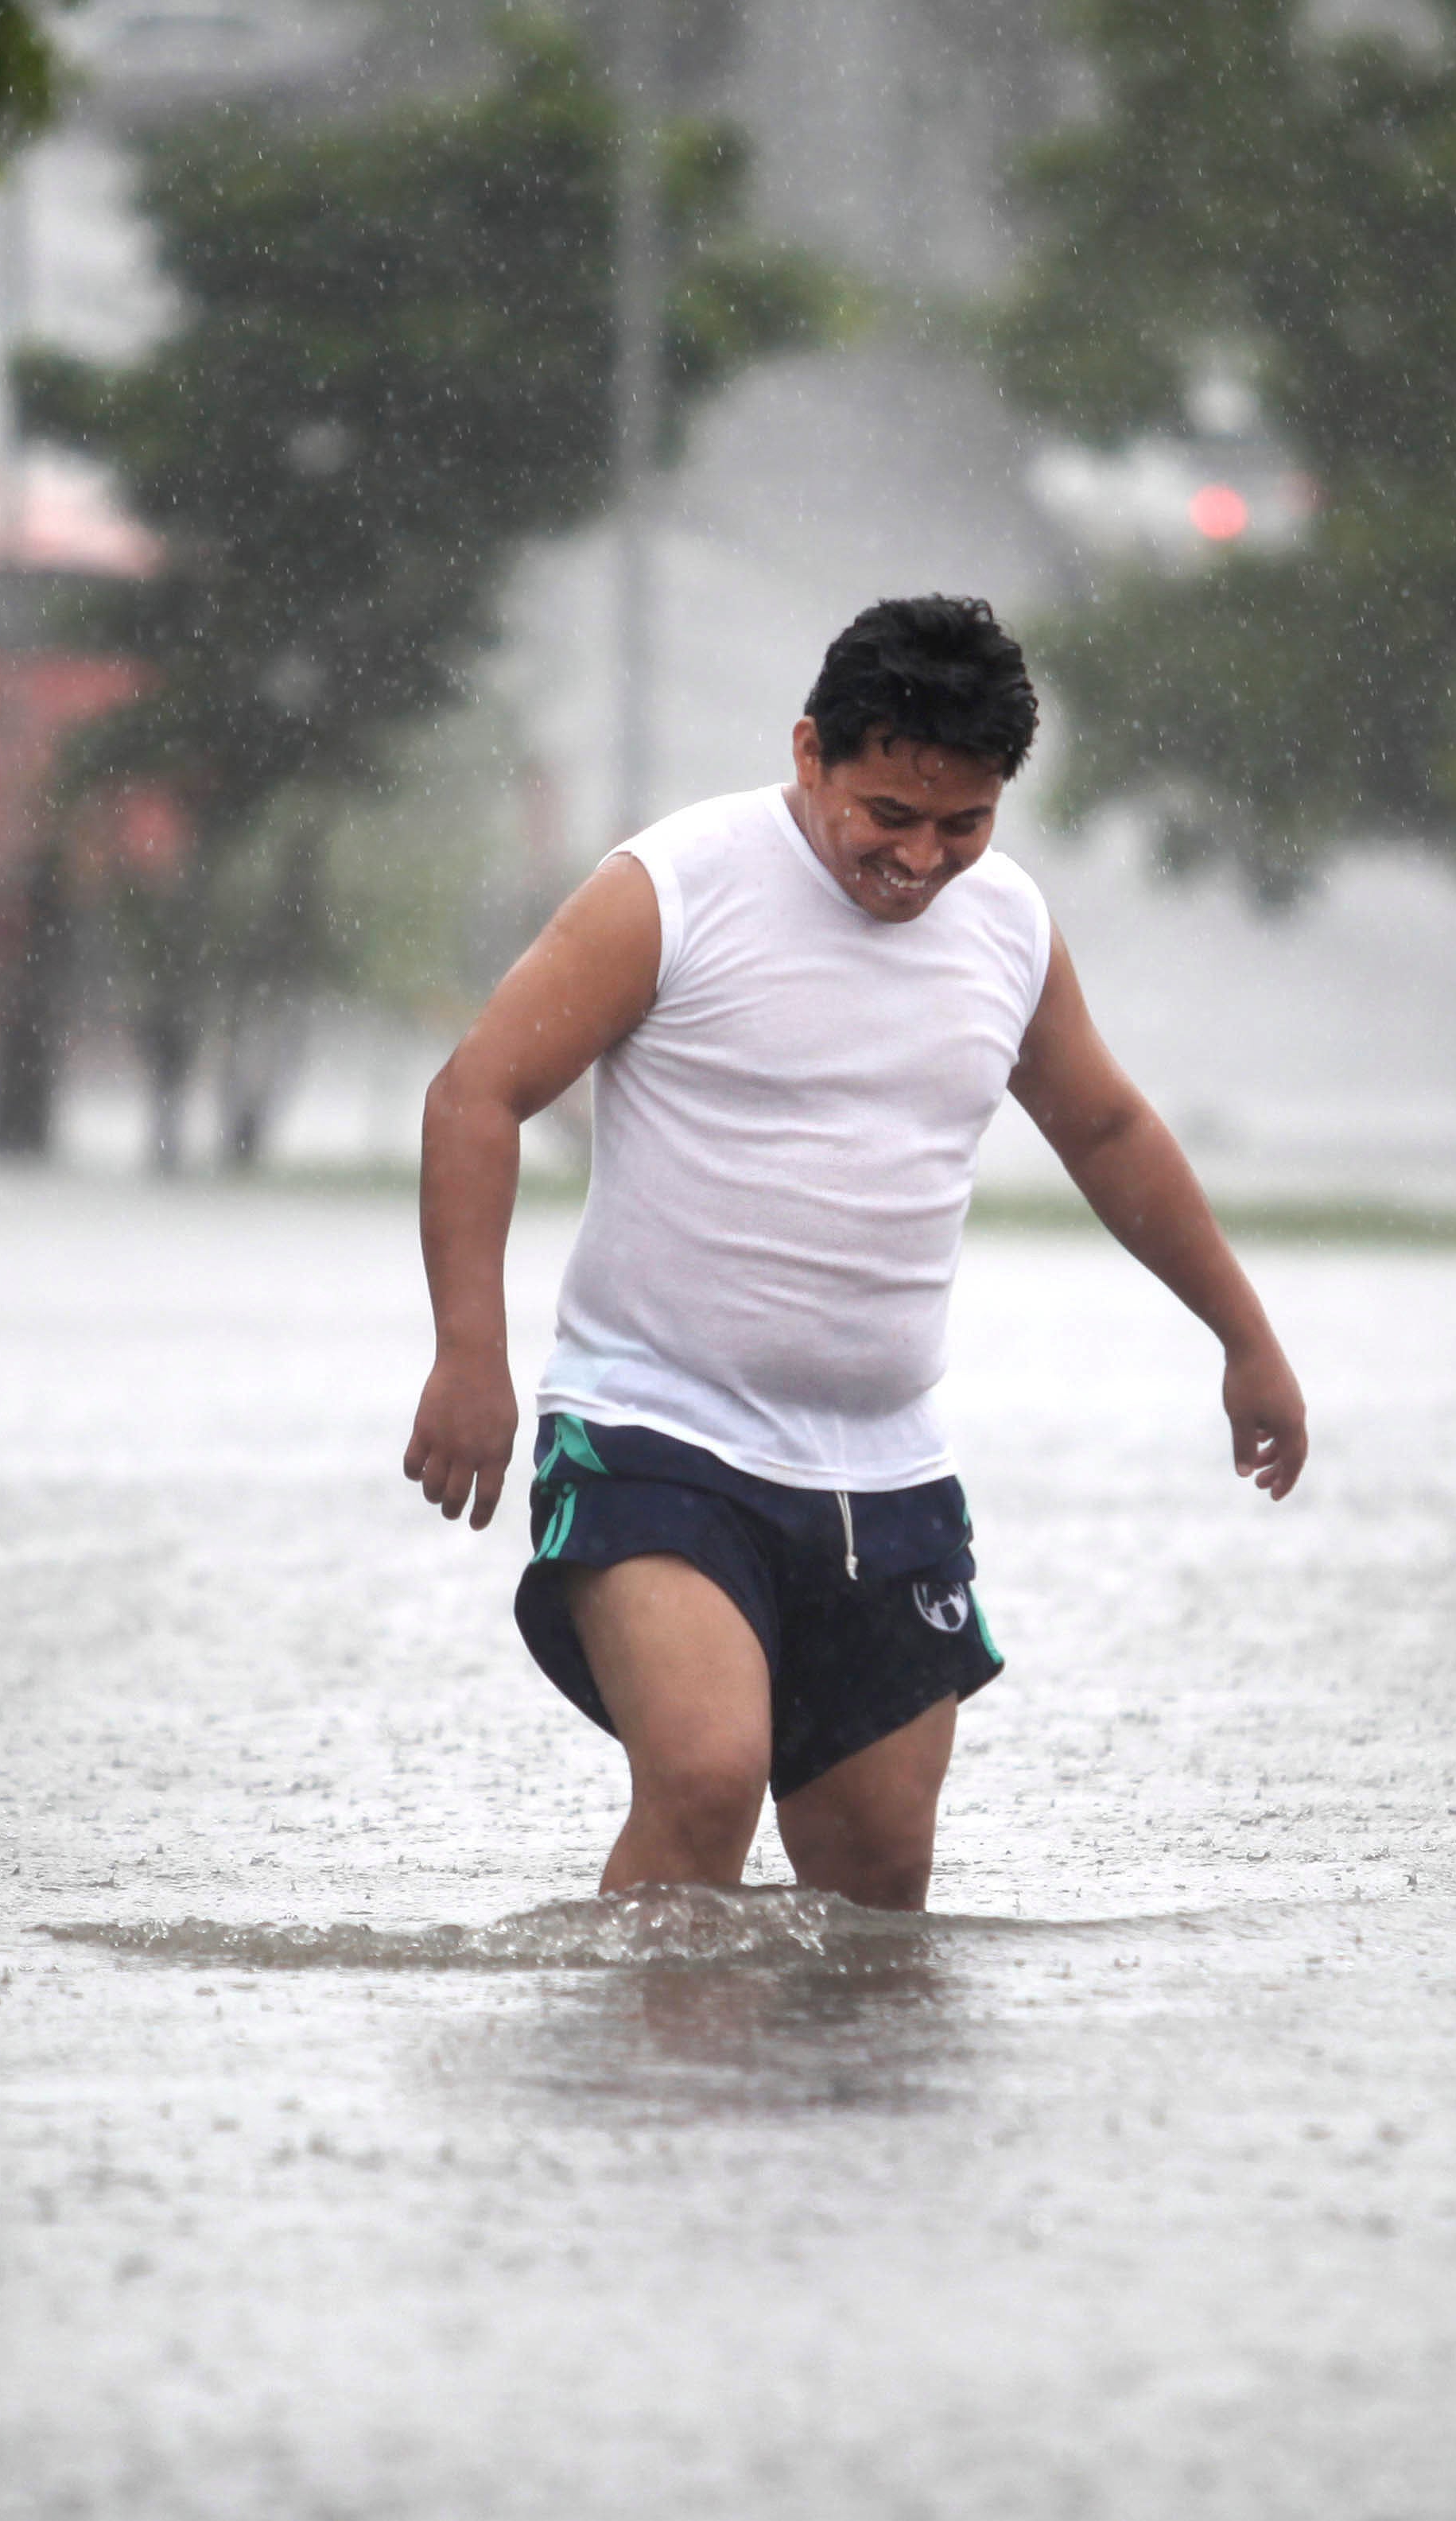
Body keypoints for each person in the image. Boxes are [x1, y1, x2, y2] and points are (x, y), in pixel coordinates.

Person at [401, 596, 1307, 1912]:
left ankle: (779, 2061)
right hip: (655, 1432)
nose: (921, 859)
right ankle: (626, 2050)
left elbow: (1108, 1130)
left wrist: (1246, 1337)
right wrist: (468, 1357)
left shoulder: (1008, 927)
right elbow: (475, 1095)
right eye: (890, 814)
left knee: (880, 1873)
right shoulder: (675, 886)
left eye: (963, 824)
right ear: (810, 751)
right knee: (707, 1779)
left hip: (884, 1470)